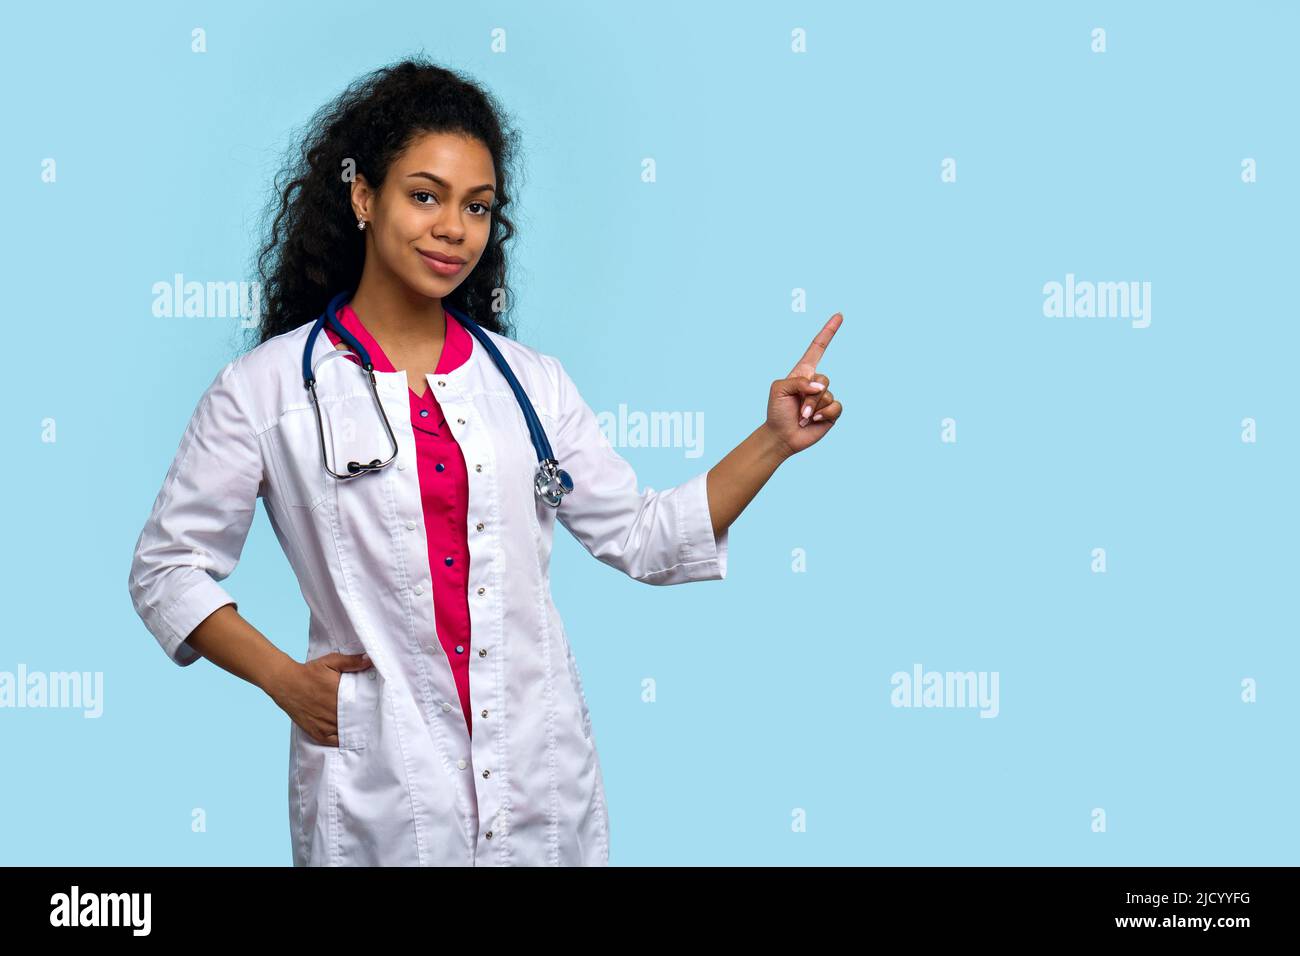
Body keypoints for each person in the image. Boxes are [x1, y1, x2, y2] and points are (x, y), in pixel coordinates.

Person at [127, 57, 843, 867]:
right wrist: (284, 682)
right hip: (380, 796)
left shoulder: (530, 384)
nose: (453, 229)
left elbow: (645, 537)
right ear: (364, 197)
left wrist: (774, 439)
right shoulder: (267, 391)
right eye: (424, 195)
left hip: (540, 785)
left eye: (477, 207)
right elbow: (167, 567)